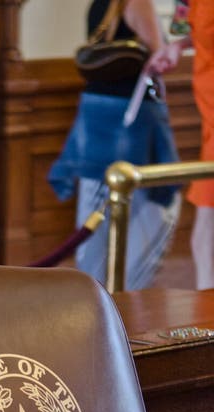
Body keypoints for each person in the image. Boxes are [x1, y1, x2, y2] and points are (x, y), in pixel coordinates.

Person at [48, 0, 181, 290]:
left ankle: (96, 290)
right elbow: (159, 58)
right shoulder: (138, 3)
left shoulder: (99, 5)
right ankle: (122, 293)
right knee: (147, 210)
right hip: (129, 119)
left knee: (96, 209)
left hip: (96, 115)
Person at [152, 0, 214, 289]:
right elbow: (193, 28)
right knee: (204, 237)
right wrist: (178, 45)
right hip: (209, 116)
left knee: (205, 235)